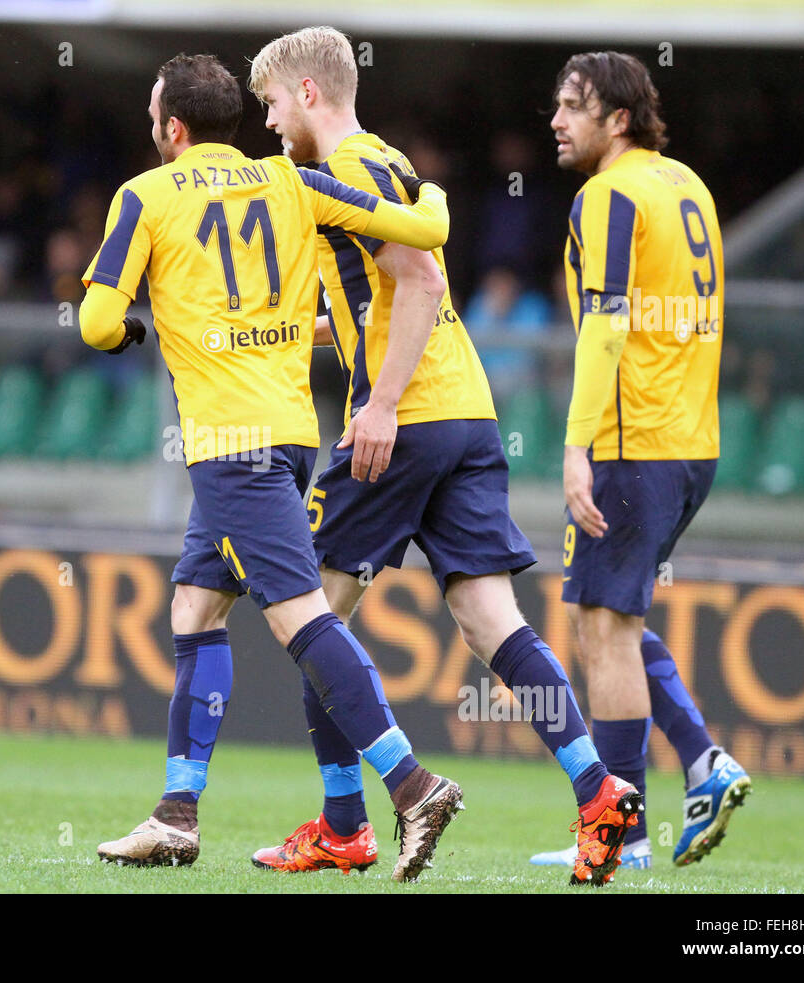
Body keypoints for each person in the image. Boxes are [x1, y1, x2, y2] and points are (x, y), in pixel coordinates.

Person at [244, 26, 640, 886]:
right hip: (465, 413)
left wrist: (380, 402)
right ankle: (598, 790)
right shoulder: (385, 160)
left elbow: (418, 280)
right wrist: (282, 333)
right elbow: (379, 294)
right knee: (492, 623)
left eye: (272, 104)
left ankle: (348, 823)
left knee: (309, 616)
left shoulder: (340, 174)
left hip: (406, 417)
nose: (270, 123)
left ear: (307, 93)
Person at [81, 53, 461, 882]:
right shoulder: (292, 182)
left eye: (156, 119)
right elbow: (423, 235)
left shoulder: (144, 197)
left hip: (228, 445)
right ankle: (177, 816)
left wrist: (131, 335)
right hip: (289, 435)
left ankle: (414, 784)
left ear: (172, 130)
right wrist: (431, 193)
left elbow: (97, 321)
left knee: (300, 619)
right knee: (195, 605)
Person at [532, 51, 751, 871]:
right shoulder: (686, 184)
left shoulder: (609, 195)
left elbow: (606, 323)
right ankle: (701, 761)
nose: (556, 120)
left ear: (617, 118)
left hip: (633, 442)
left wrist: (576, 446)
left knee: (605, 626)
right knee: (608, 621)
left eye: (572, 106)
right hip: (691, 441)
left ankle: (618, 837)